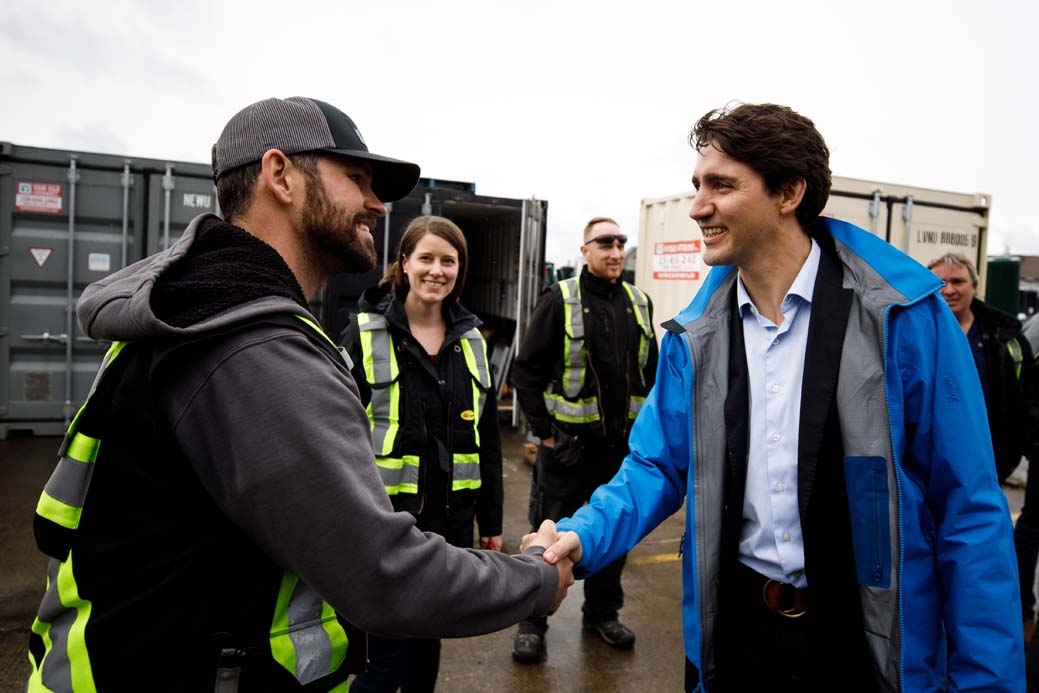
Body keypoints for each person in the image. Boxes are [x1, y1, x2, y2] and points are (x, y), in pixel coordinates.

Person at [26, 96, 572, 692]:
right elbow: (381, 574)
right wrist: (534, 579)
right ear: (280, 175)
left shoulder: (200, 314)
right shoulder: (253, 348)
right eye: (356, 179)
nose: (375, 202)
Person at [533, 103, 1023, 691]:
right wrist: (581, 534)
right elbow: (654, 465)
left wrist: (985, 682)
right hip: (740, 633)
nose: (696, 207)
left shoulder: (905, 318)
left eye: (721, 185)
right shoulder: (697, 335)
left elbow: (967, 507)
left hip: (863, 640)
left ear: (788, 193)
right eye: (696, 185)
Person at [340, 215, 502, 691]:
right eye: (426, 258)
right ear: (404, 263)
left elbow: (487, 439)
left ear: (460, 270)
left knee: (425, 658)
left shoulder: (472, 342)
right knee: (382, 661)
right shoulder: (364, 336)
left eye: (448, 261)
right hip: (383, 528)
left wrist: (490, 522)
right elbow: (336, 433)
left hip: (448, 531)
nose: (437, 270)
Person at [509, 217, 658, 662]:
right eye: (605, 243)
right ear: (586, 250)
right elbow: (527, 371)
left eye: (621, 243)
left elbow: (649, 379)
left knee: (613, 537)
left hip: (620, 453)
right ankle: (533, 620)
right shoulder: (561, 298)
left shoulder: (639, 302)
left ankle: (601, 613)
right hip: (568, 453)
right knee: (550, 536)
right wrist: (546, 435)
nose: (615, 251)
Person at [928, 252, 1032, 484]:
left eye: (958, 281)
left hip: (987, 465)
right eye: (940, 282)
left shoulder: (1005, 340)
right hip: (929, 462)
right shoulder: (911, 336)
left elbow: (1026, 403)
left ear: (975, 286)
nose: (949, 290)